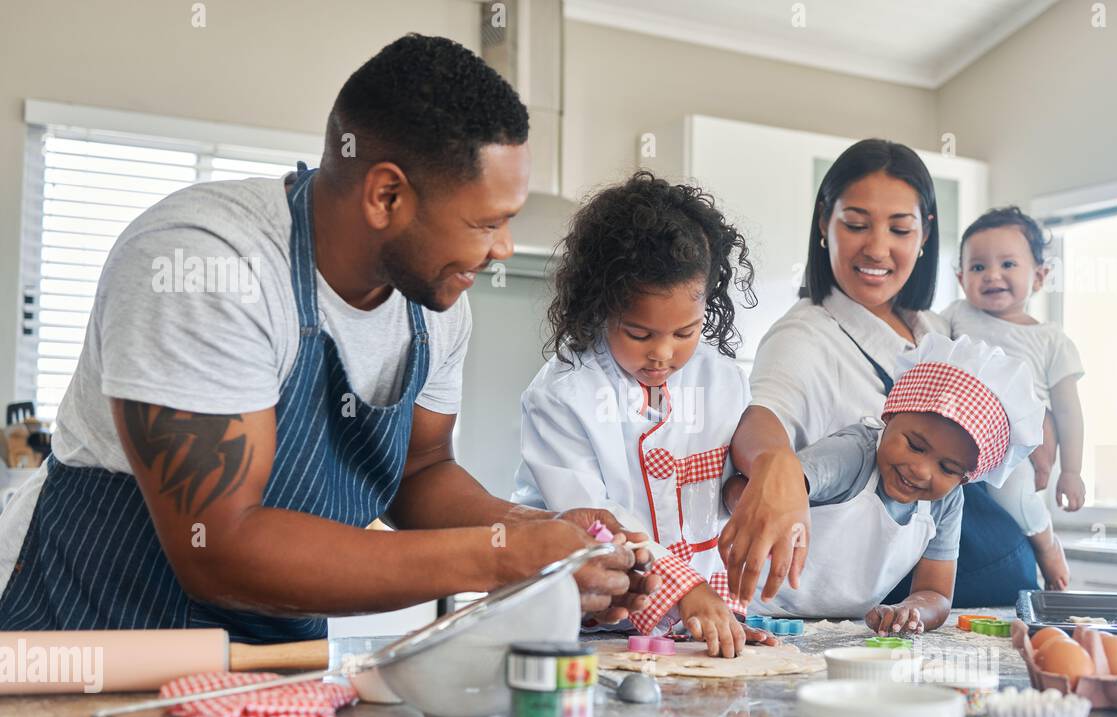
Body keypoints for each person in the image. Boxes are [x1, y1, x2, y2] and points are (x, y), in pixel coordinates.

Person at [0, 35, 655, 640]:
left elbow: (419, 472)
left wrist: (545, 533)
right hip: (93, 634)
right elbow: (218, 548)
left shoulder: (436, 303)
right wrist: (501, 557)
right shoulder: (205, 267)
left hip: (274, 654)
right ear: (385, 196)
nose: (504, 250)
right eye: (487, 223)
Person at [720, 138, 1038, 613]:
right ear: (825, 222)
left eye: (900, 228)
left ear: (925, 233)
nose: (878, 248)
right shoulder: (803, 336)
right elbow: (764, 415)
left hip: (958, 601)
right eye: (856, 224)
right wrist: (774, 465)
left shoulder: (934, 327)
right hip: (867, 598)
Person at [513, 172, 773, 657]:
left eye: (686, 332)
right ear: (601, 307)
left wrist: (752, 500)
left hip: (695, 621)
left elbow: (725, 492)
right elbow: (595, 522)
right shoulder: (562, 395)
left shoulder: (723, 379)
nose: (663, 354)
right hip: (586, 623)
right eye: (639, 333)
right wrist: (684, 592)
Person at [724, 334, 1042, 629]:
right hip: (748, 612)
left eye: (948, 468)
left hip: (833, 629)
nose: (922, 470)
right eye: (915, 446)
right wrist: (748, 507)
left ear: (966, 477)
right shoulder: (854, 455)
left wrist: (913, 610)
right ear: (889, 415)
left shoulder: (946, 502)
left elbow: (936, 592)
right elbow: (767, 487)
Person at [949, 206, 1086, 590]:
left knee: (1013, 494)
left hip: (1015, 448)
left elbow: (1068, 412)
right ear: (961, 279)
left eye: (1008, 263)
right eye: (977, 268)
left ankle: (1046, 543)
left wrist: (1071, 471)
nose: (992, 275)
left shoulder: (1050, 340)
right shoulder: (957, 316)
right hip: (959, 441)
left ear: (1039, 277)